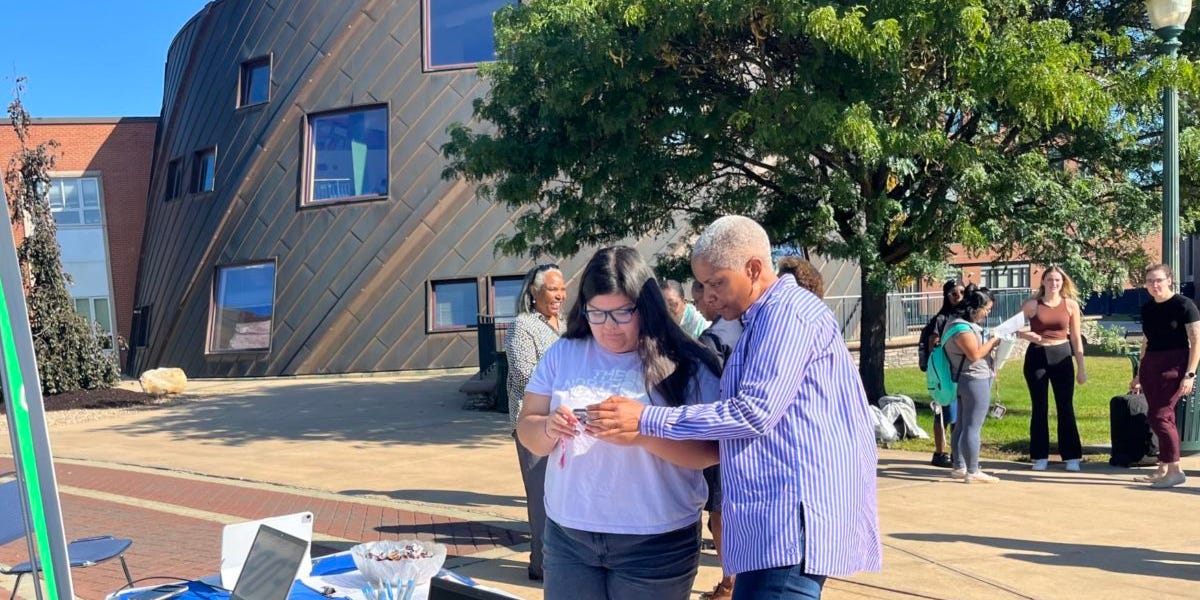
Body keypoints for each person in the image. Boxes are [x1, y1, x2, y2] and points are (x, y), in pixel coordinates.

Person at [589, 216, 881, 600]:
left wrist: (646, 419)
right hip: (777, 527)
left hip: (790, 528)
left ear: (754, 269)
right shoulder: (762, 320)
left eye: (716, 282)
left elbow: (753, 412)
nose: (707, 296)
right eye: (703, 285)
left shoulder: (786, 316)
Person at [515, 246, 722, 599]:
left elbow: (711, 450)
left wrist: (643, 434)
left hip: (656, 542)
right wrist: (547, 428)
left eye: (623, 313)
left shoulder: (686, 361)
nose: (609, 327)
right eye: (597, 313)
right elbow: (527, 428)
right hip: (569, 537)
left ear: (648, 307)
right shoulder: (565, 352)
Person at [503, 263, 566, 580]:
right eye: (553, 289)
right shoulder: (521, 326)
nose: (559, 295)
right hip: (534, 421)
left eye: (562, 289)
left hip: (567, 421)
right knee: (541, 493)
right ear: (534, 291)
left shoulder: (565, 324)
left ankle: (562, 558)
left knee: (563, 491)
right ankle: (541, 564)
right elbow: (525, 372)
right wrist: (568, 384)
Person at [690, 280, 741, 600]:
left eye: (700, 299)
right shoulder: (746, 327)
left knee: (720, 516)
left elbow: (701, 394)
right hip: (742, 440)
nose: (699, 306)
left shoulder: (714, 338)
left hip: (722, 438)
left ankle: (730, 583)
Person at [1129, 263, 1199, 488]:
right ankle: (1163, 467)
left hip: (1175, 365)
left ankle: (1175, 470)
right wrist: (1140, 373)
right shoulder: (1148, 308)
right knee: (1158, 417)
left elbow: (1196, 341)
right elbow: (1146, 341)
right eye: (1149, 281)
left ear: (1169, 280)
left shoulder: (1184, 305)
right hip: (1151, 365)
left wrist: (1190, 374)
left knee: (1161, 416)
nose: (1154, 285)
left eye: (1158, 280)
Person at [1018, 266, 1086, 472]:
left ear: (1063, 282)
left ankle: (1072, 456)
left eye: (1057, 280)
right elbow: (1013, 327)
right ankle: (1040, 456)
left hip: (1062, 355)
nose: (1053, 284)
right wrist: (1027, 335)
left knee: (1065, 406)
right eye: (1050, 280)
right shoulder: (1032, 305)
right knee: (1039, 407)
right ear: (1043, 282)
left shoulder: (1071, 305)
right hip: (1037, 356)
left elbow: (1075, 337)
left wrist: (1081, 367)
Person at [943, 285, 1003, 483]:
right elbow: (975, 354)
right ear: (975, 308)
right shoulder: (962, 328)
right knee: (972, 427)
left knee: (961, 424)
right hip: (973, 379)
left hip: (961, 379)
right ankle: (973, 471)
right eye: (986, 309)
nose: (987, 313)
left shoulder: (954, 323)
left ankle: (960, 466)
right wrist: (993, 342)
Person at [922, 280, 965, 468]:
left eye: (962, 293)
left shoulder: (964, 317)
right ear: (946, 297)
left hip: (959, 371)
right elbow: (934, 346)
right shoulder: (940, 319)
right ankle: (940, 452)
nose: (959, 297)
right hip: (944, 374)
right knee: (943, 414)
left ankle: (957, 453)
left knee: (957, 415)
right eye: (954, 294)